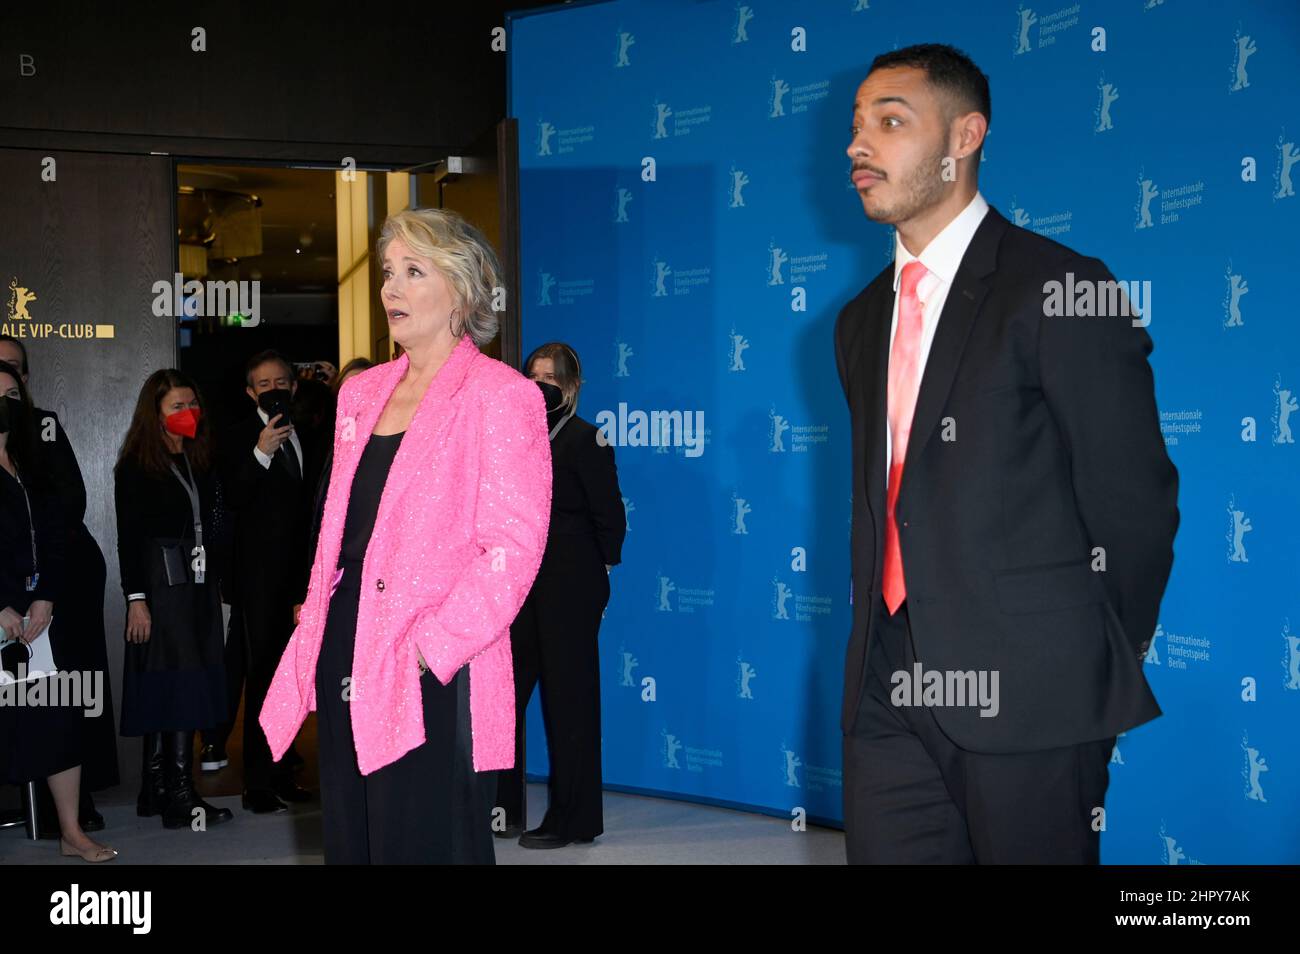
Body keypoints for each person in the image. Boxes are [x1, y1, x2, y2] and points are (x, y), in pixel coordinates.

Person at [835, 44, 1178, 864]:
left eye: (890, 122)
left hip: (1035, 692)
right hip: (885, 688)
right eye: (855, 127)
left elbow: (1133, 505)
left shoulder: (1060, 289)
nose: (858, 146)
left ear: (965, 137)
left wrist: (1084, 654)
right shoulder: (856, 323)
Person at [261, 208, 552, 864]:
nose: (390, 288)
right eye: (388, 272)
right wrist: (319, 608)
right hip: (350, 639)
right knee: (354, 830)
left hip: (435, 654)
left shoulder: (501, 396)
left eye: (412, 272)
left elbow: (514, 546)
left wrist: (430, 646)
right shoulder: (359, 394)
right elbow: (338, 522)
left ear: (465, 288)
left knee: (427, 835)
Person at [496, 342, 624, 848]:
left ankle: (572, 820)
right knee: (504, 693)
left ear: (571, 387)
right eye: (532, 374)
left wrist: (595, 575)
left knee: (569, 703)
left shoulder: (586, 439)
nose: (539, 384)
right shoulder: (512, 438)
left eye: (549, 377)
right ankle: (501, 806)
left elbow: (610, 517)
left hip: (571, 585)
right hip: (517, 586)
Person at [0, 335, 118, 835]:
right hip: (12, 585)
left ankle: (73, 807)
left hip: (60, 577)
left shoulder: (42, 429)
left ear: (25, 380)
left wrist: (43, 582)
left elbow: (68, 501)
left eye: (13, 374)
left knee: (66, 695)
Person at [114, 369, 234, 830]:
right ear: (156, 413)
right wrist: (136, 599)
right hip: (162, 588)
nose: (188, 413)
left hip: (198, 586)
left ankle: (157, 788)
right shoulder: (136, 465)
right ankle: (180, 795)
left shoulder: (199, 458)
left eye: (191, 404)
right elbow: (129, 538)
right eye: (176, 407)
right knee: (176, 683)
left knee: (181, 680)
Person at [201, 351, 318, 812]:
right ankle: (258, 782)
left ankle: (285, 767)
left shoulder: (307, 431)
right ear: (251, 392)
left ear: (293, 386)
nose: (273, 389)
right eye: (263, 383)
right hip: (257, 579)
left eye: (281, 381)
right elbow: (234, 496)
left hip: (301, 577)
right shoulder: (235, 437)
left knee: (295, 677)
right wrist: (260, 453)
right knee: (263, 676)